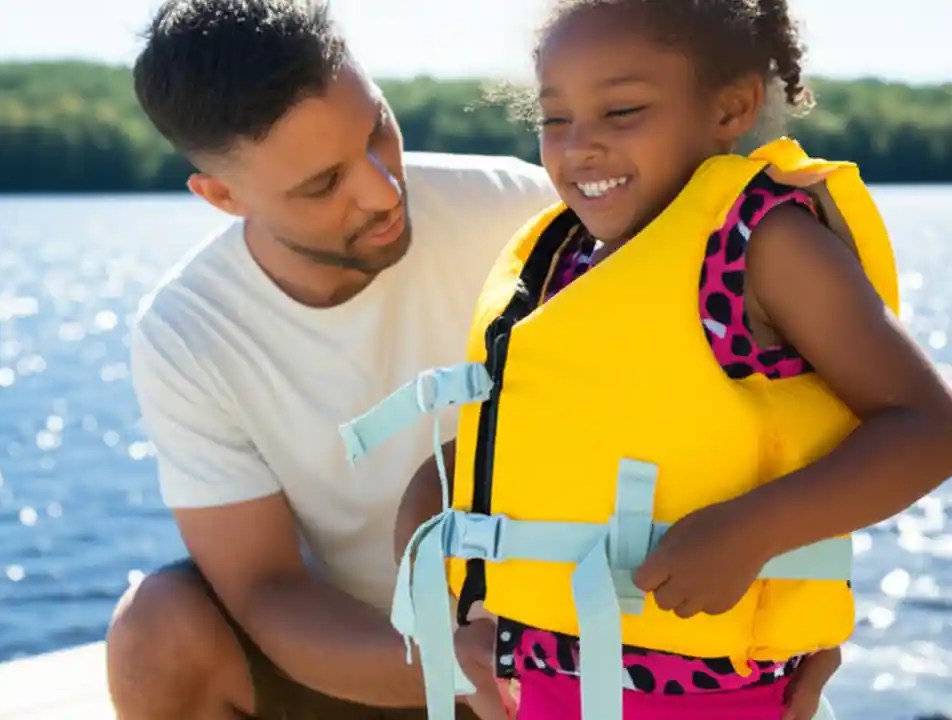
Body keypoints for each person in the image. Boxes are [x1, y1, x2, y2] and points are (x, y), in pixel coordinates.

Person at [381, 0, 952, 718]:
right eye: (554, 118)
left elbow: (927, 426)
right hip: (540, 684)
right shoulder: (566, 261)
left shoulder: (760, 245)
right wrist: (459, 614)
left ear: (731, 107)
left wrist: (754, 532)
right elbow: (492, 451)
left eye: (621, 112)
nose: (578, 146)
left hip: (708, 693)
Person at [105, 0, 561, 718]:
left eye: (378, 127)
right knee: (154, 625)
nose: (383, 189)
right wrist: (449, 664)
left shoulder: (522, 214)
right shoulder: (186, 332)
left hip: (553, 642)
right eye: (322, 185)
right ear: (222, 197)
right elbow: (264, 588)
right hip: (366, 663)